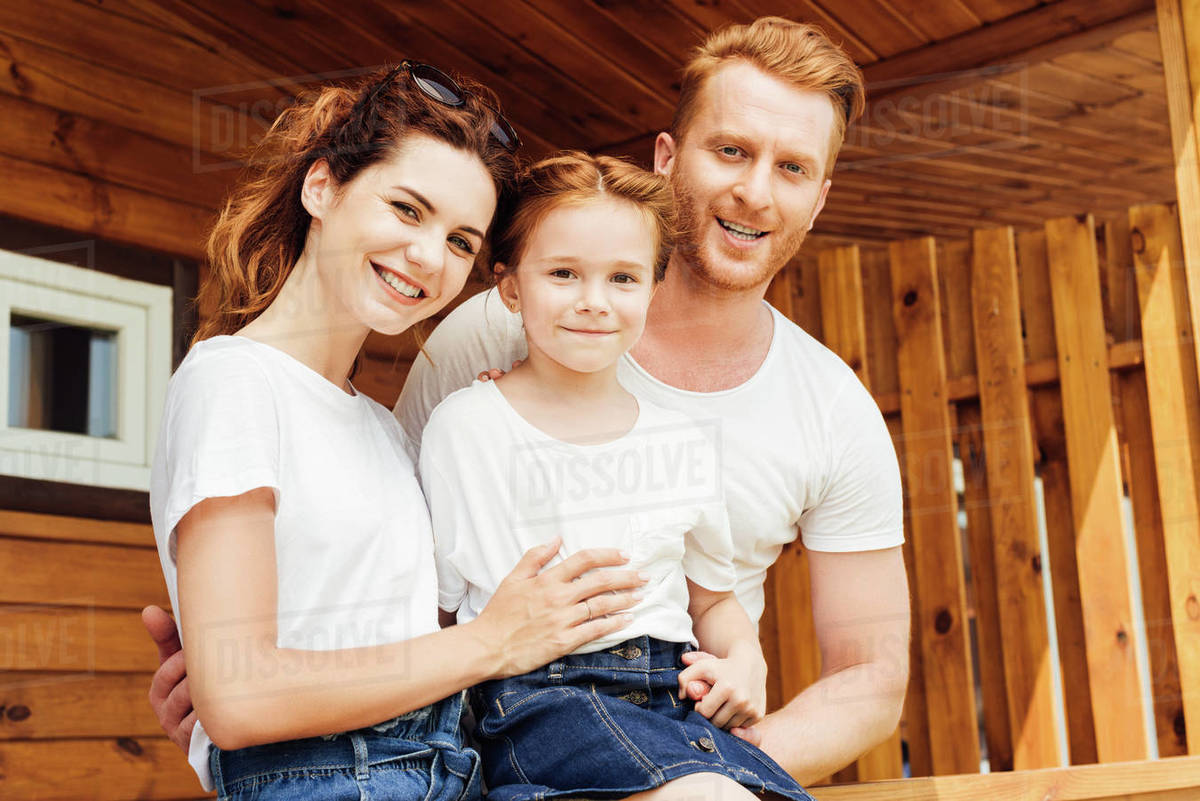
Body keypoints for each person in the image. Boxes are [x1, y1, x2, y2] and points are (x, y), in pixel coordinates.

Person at [146, 15, 911, 788]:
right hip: (477, 743)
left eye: (792, 167)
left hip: (646, 736)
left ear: (819, 197)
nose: (753, 189)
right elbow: (401, 591)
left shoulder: (833, 408)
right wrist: (237, 691)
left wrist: (684, 773)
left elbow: (870, 679)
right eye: (732, 150)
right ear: (670, 158)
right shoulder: (484, 338)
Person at [147, 62, 646, 800]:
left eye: (459, 241)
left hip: (442, 766)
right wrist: (489, 641)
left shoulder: (385, 430)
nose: (427, 256)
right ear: (322, 187)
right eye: (407, 209)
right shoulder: (235, 381)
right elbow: (243, 696)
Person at [422, 151, 815, 800]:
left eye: (623, 278)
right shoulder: (468, 428)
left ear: (654, 290)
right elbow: (434, 617)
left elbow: (713, 599)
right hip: (537, 701)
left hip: (673, 694)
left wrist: (745, 658)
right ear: (511, 286)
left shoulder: (679, 439)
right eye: (564, 273)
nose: (593, 302)